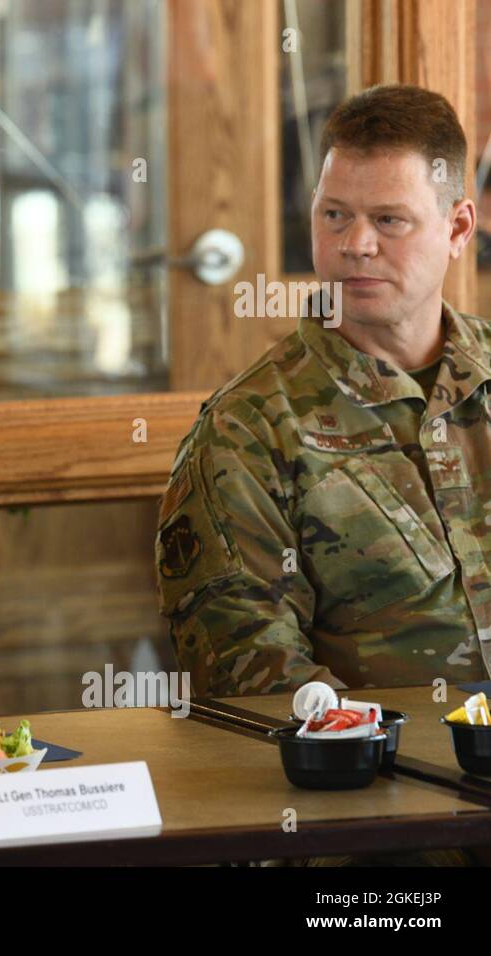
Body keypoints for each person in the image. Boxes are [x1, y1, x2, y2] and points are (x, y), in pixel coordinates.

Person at [157, 84, 491, 697]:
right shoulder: (247, 431)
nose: (354, 244)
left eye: (388, 220)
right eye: (334, 214)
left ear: (458, 228)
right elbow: (251, 672)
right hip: (380, 780)